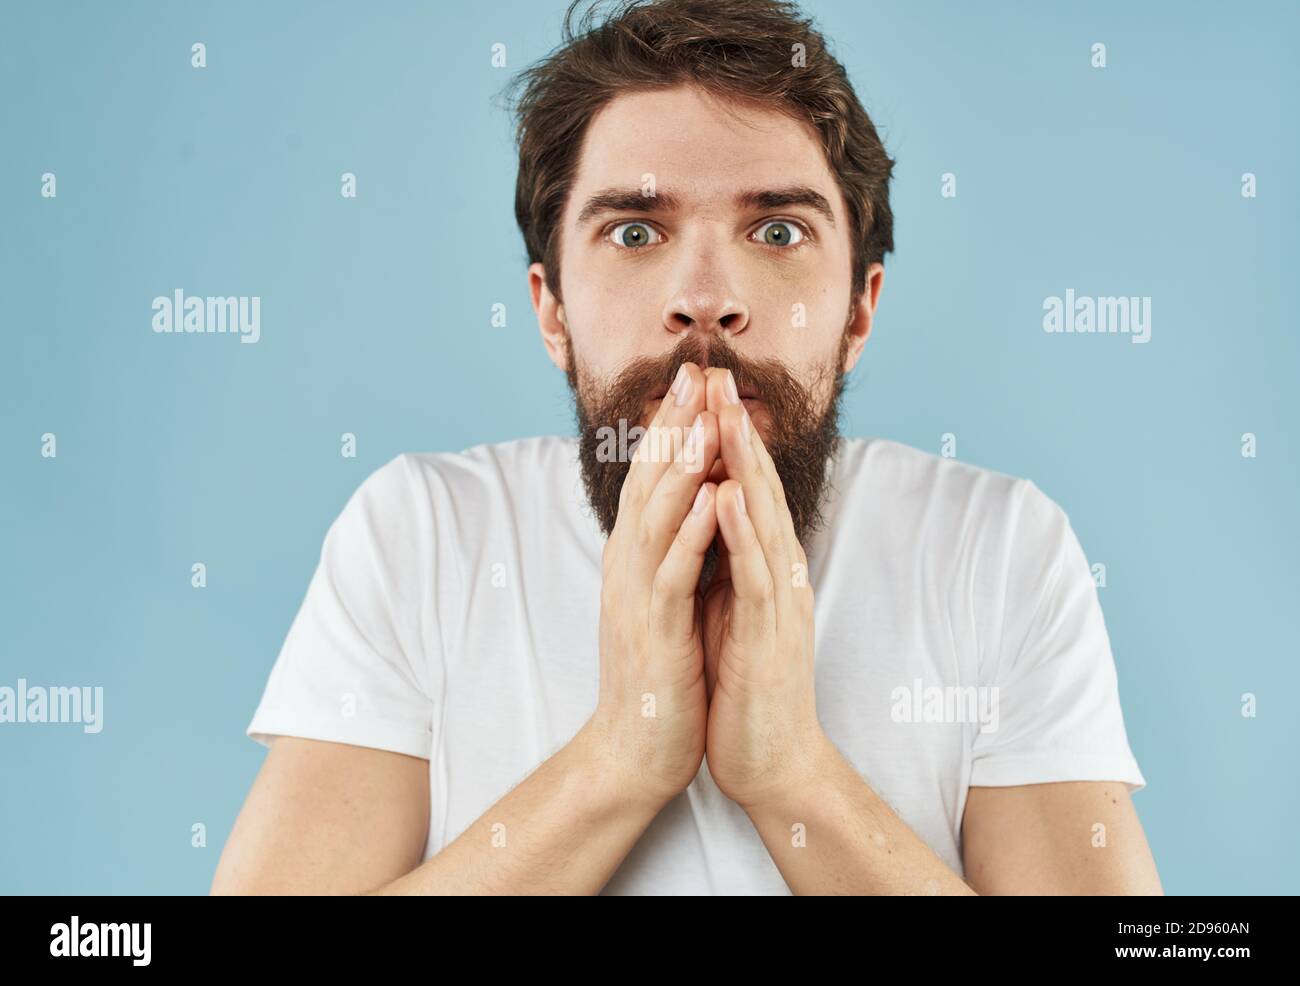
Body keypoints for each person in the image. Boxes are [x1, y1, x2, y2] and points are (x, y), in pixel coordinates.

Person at [212, 0, 1161, 895]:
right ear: (552, 312)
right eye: (635, 231)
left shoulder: (998, 549)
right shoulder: (419, 534)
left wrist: (793, 776)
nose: (706, 298)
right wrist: (619, 760)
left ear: (859, 312)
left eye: (778, 229)